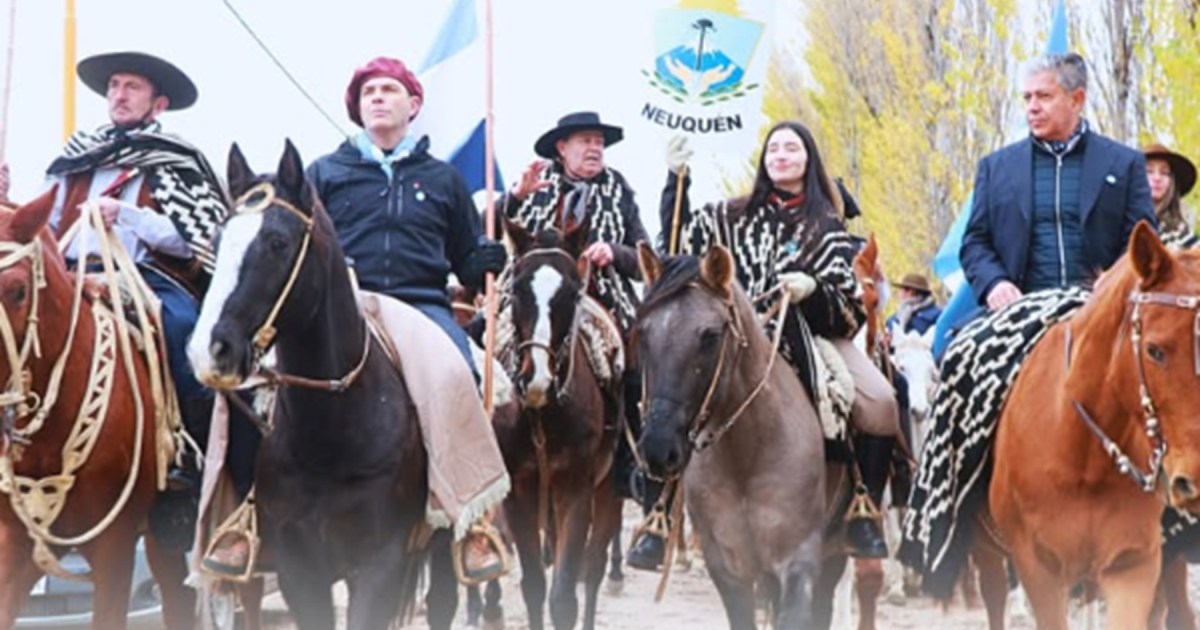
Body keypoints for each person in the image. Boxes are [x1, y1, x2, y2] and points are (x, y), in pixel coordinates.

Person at [305, 56, 509, 582]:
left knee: (457, 375)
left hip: (421, 305)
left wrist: (484, 259)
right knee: (262, 382)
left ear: (412, 105)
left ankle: (471, 523)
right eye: (368, 90)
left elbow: (465, 260)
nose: (377, 96)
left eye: (389, 89)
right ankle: (249, 518)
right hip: (342, 305)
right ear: (357, 107)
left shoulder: (442, 179)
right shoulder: (324, 173)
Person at [661, 122, 901, 559]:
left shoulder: (828, 225)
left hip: (809, 333)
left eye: (792, 147)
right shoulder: (727, 216)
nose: (781, 154)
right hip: (735, 335)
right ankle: (659, 514)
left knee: (883, 403)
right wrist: (675, 183)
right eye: (773, 147)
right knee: (674, 384)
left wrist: (813, 289)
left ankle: (862, 508)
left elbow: (848, 308)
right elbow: (677, 250)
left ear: (808, 159)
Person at [42, 51, 228, 495]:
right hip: (69, 274)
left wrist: (126, 214)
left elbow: (194, 239)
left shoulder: (178, 160)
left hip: (144, 277)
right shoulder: (77, 155)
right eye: (114, 86)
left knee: (182, 327)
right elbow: (45, 224)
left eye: (132, 87)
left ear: (158, 104)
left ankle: (190, 452)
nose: (119, 95)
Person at [492, 111, 658, 567]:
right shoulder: (536, 185)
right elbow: (488, 234)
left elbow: (645, 254)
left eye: (600, 141)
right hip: (531, 299)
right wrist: (514, 196)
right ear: (561, 148)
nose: (595, 148)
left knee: (641, 362)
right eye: (585, 140)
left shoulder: (619, 189)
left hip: (604, 299)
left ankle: (631, 466)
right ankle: (489, 461)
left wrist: (614, 252)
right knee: (481, 351)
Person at [961, 52, 1157, 312]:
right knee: (953, 351)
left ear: (1077, 100)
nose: (1032, 107)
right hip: (1019, 313)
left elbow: (1143, 238)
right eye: (1027, 97)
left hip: (1105, 312)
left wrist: (1116, 279)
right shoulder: (996, 168)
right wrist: (995, 283)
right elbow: (975, 242)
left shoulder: (1124, 163)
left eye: (1044, 96)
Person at [1143, 142, 1197, 249]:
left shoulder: (1183, 236)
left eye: (1164, 172)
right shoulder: (1119, 226)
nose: (1157, 178)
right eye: (1149, 171)